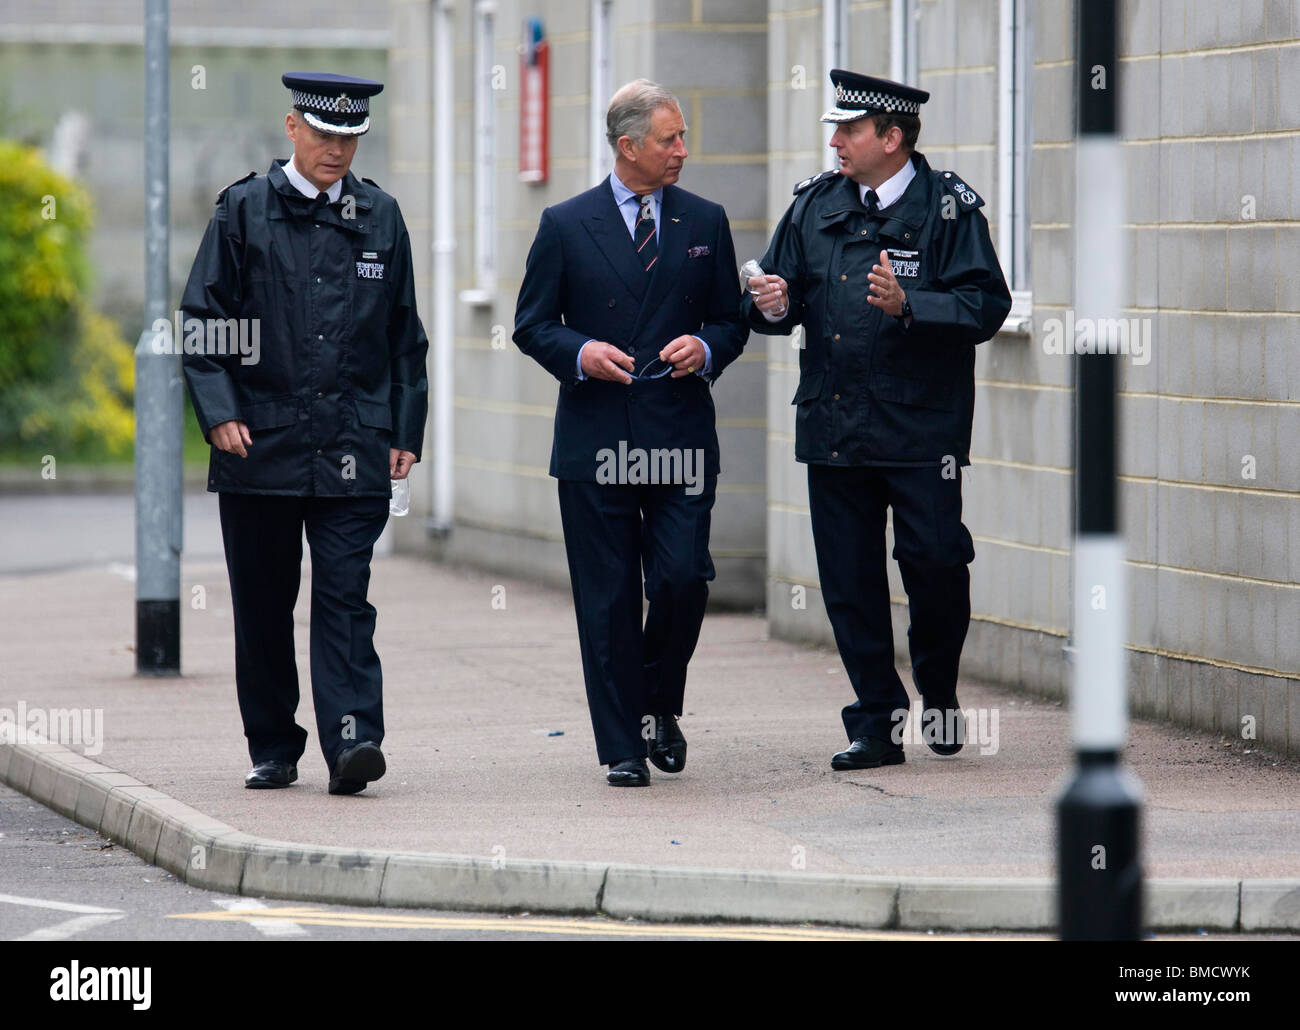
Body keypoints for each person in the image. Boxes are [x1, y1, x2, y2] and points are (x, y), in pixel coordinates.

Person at [743, 70, 1010, 770]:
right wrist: (771, 302)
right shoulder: (814, 205)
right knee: (849, 579)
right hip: (834, 424)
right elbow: (781, 299)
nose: (836, 142)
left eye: (850, 130)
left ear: (892, 137)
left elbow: (987, 306)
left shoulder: (949, 209)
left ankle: (941, 691)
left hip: (922, 429)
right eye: (836, 130)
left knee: (936, 561)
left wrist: (910, 304)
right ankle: (876, 722)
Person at [180, 72, 429, 795]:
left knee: (346, 596)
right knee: (263, 601)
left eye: (350, 137)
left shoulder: (381, 216)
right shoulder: (243, 213)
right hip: (259, 444)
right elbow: (204, 320)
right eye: (325, 135)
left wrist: (404, 429)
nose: (337, 150)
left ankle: (354, 740)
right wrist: (219, 407)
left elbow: (403, 338)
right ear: (293, 127)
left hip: (355, 445)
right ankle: (273, 743)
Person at [514, 80, 748, 787]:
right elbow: (532, 325)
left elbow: (730, 320)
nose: (683, 150)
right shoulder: (564, 223)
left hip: (678, 435)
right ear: (628, 147)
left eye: (682, 137)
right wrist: (579, 354)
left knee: (680, 579)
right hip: (597, 438)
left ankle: (658, 705)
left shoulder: (704, 221)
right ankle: (621, 744)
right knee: (609, 597)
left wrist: (706, 349)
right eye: (669, 139)